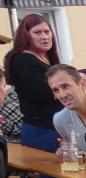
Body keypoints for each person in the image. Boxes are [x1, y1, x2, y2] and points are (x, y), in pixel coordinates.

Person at [5, 14, 64, 157]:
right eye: (37, 32)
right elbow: (44, 94)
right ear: (26, 36)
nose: (44, 37)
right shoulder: (24, 59)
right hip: (42, 129)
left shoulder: (47, 57)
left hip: (55, 127)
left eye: (47, 31)